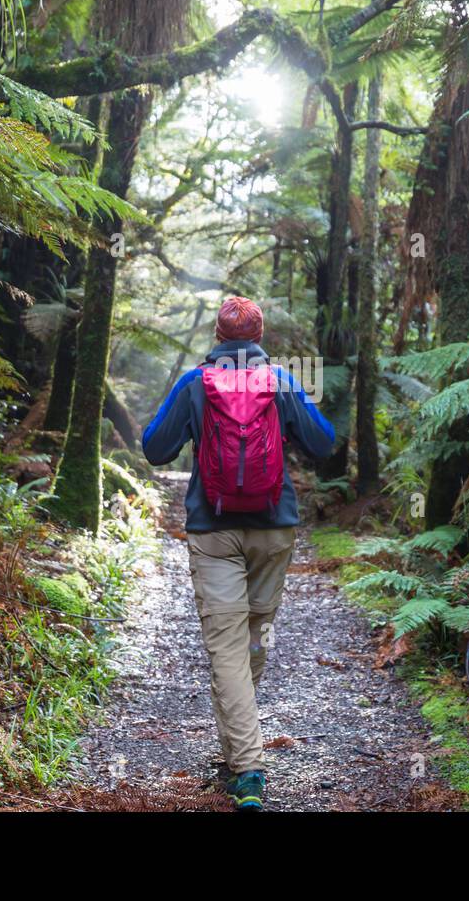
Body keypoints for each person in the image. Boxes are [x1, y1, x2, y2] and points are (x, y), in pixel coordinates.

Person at [141, 296, 335, 811]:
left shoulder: (194, 382)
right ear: (260, 334)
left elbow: (155, 448)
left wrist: (193, 428)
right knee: (254, 639)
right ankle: (242, 756)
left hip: (214, 529)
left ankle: (246, 769)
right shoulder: (281, 380)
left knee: (227, 648)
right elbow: (324, 442)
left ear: (218, 336)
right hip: (274, 530)